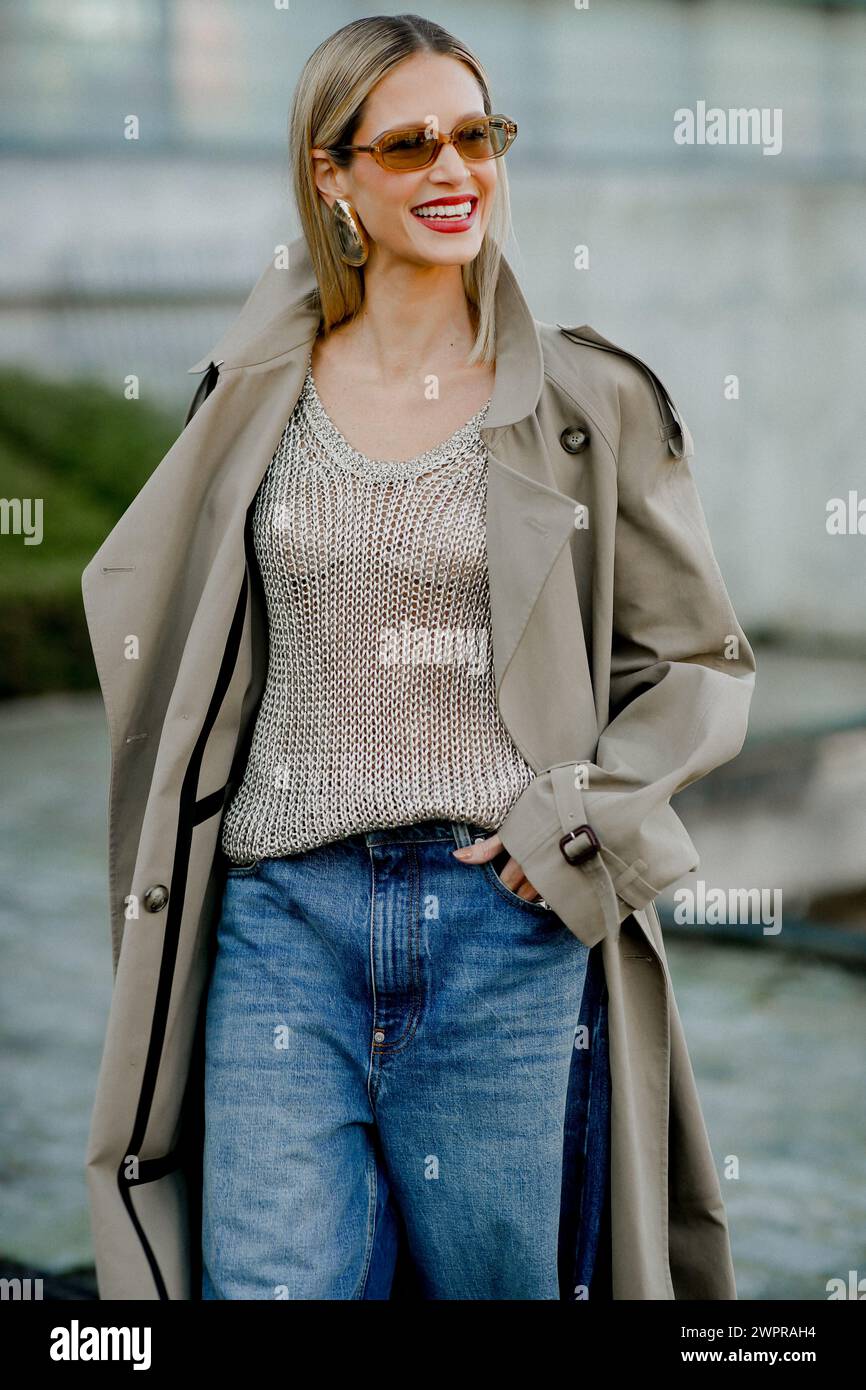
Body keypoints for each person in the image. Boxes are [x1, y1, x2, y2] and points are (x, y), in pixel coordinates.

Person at [82, 12, 755, 1303]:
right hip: (282, 918)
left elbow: (696, 658)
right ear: (331, 174)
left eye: (477, 136)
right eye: (409, 145)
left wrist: (580, 817)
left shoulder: (586, 401)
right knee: (270, 1283)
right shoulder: (252, 394)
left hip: (502, 923)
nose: (456, 170)